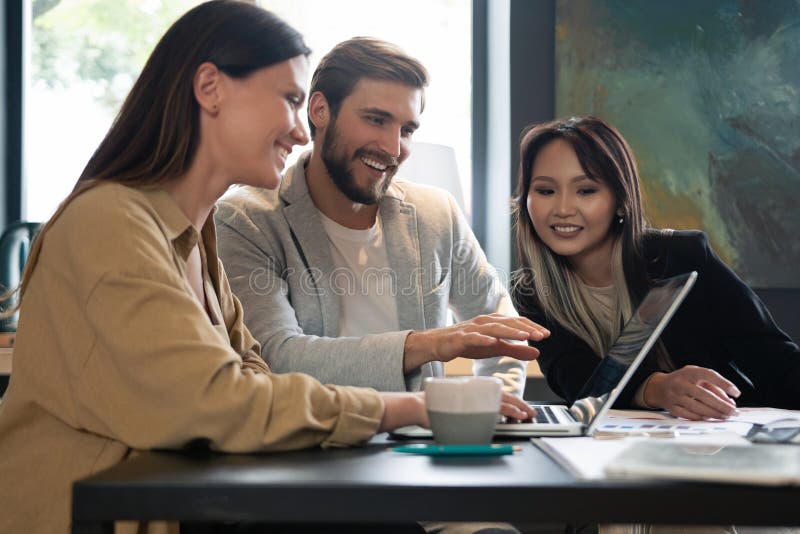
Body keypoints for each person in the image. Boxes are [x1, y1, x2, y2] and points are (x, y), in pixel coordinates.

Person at [0, 4, 534, 533]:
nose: (301, 132)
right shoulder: (112, 222)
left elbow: (257, 378)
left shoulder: (193, 237)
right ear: (210, 87)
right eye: (290, 100)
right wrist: (409, 408)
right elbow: (217, 399)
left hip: (208, 502)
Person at [215, 37, 549, 398]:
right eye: (376, 120)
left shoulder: (437, 213)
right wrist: (428, 344)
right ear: (319, 110)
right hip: (313, 447)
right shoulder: (246, 220)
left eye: (406, 130)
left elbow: (503, 331)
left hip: (421, 446)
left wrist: (487, 414)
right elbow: (275, 357)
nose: (393, 149)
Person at [511, 116, 800, 420]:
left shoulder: (682, 257)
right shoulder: (530, 292)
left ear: (621, 200)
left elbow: (775, 361)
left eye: (586, 190)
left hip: (730, 433)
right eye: (545, 191)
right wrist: (658, 388)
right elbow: (577, 380)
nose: (563, 209)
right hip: (614, 453)